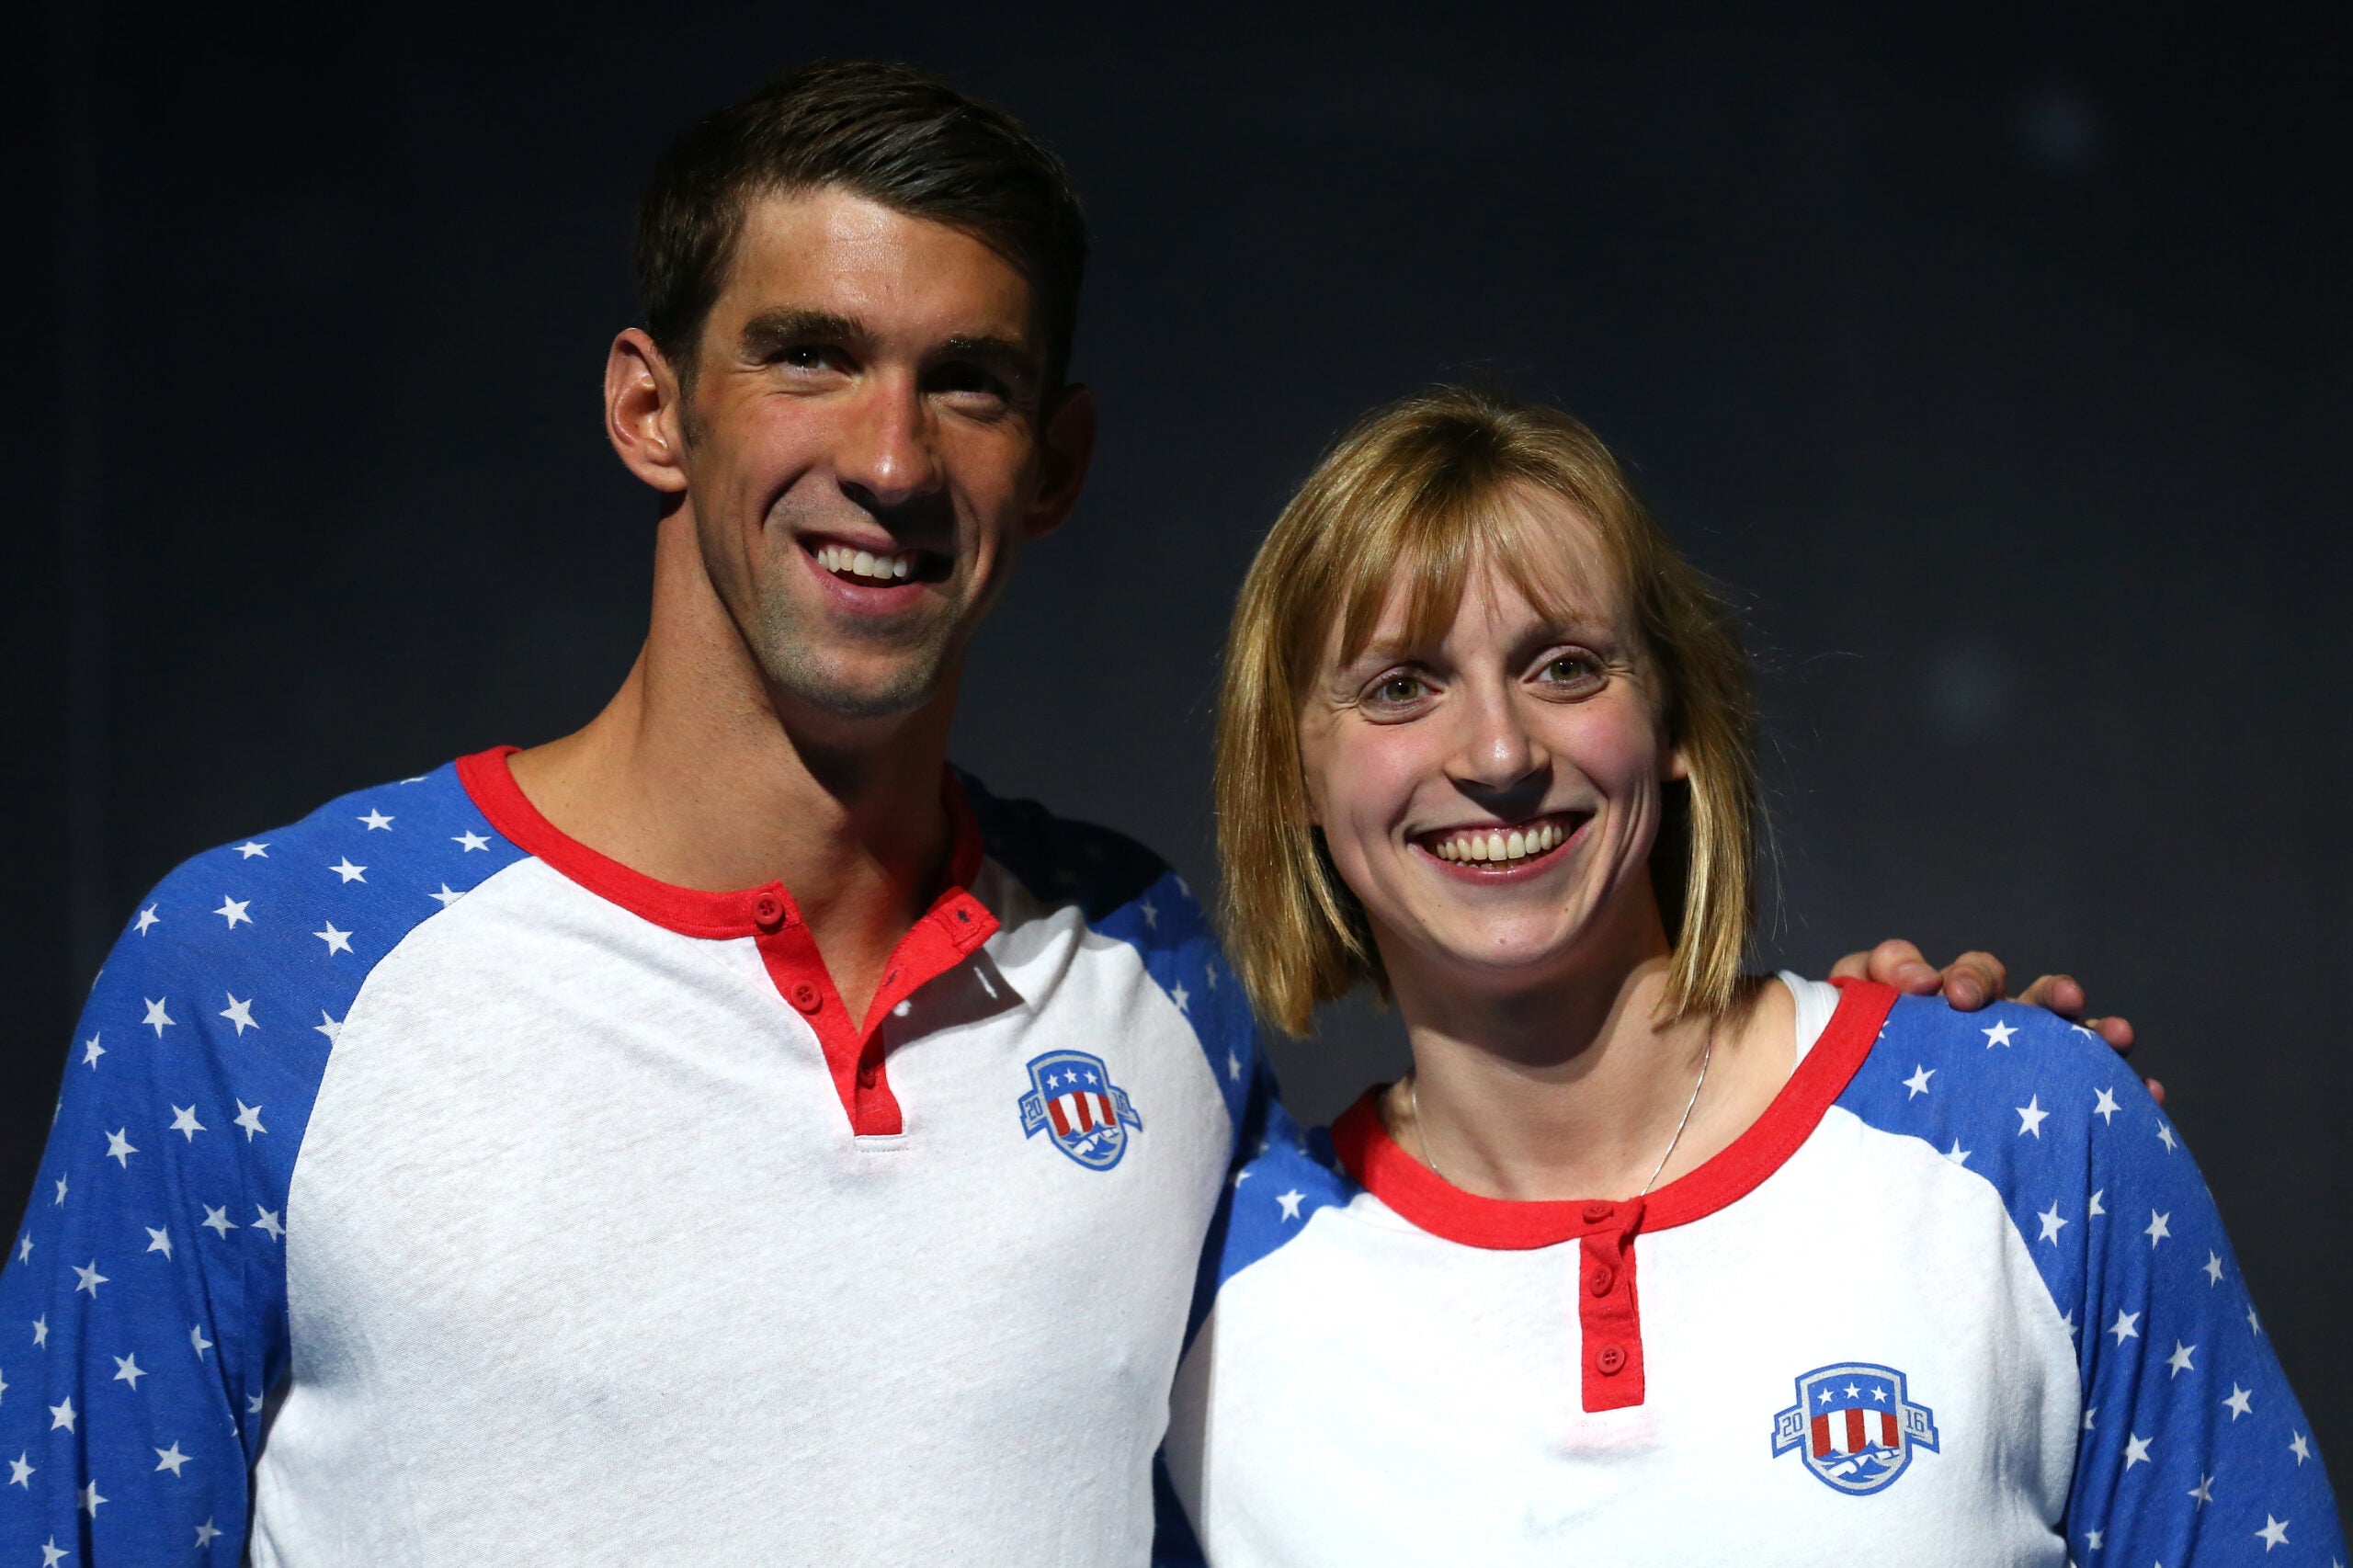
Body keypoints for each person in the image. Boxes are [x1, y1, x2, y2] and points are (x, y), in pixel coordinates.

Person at [4, 63, 2122, 1565]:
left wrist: (1886, 1102)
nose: (892, 458)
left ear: (1060, 454)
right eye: (808, 357)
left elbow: (1479, 1357)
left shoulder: (1152, 989)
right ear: (650, 405)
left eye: (971, 383)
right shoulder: (267, 973)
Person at [1161, 388, 2336, 1565]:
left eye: (1565, 667)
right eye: (1400, 687)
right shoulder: (1211, 1297)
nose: (1501, 752)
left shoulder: (2010, 1127)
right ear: (1291, 776)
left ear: (1674, 719)